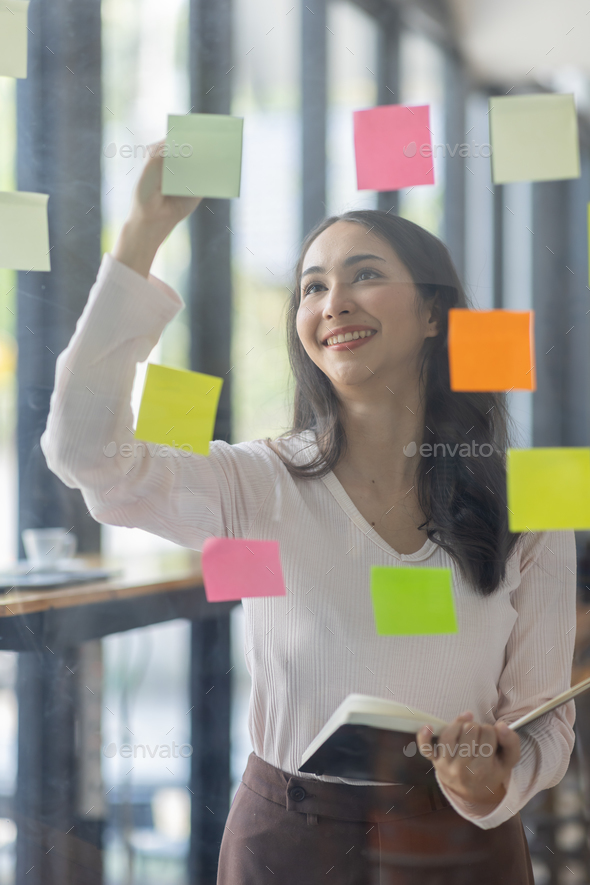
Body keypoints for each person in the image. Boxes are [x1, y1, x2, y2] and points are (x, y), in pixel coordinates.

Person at [41, 146, 576, 884]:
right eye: (312, 286)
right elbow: (84, 453)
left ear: (430, 313)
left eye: (365, 274)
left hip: (461, 846)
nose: (333, 303)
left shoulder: (529, 500)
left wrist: (495, 784)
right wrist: (138, 237)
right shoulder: (259, 482)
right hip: (291, 841)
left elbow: (547, 717)